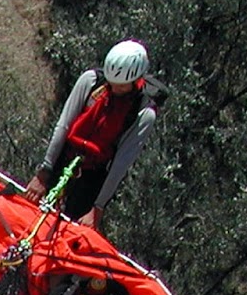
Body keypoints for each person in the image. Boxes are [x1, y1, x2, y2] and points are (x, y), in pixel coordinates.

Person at [22, 39, 160, 231]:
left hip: (91, 179)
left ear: (136, 81)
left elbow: (121, 164)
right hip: (62, 160)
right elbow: (63, 126)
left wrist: (97, 207)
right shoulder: (91, 81)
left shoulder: (144, 113)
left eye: (121, 86)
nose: (115, 89)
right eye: (112, 84)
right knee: (27, 220)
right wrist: (44, 172)